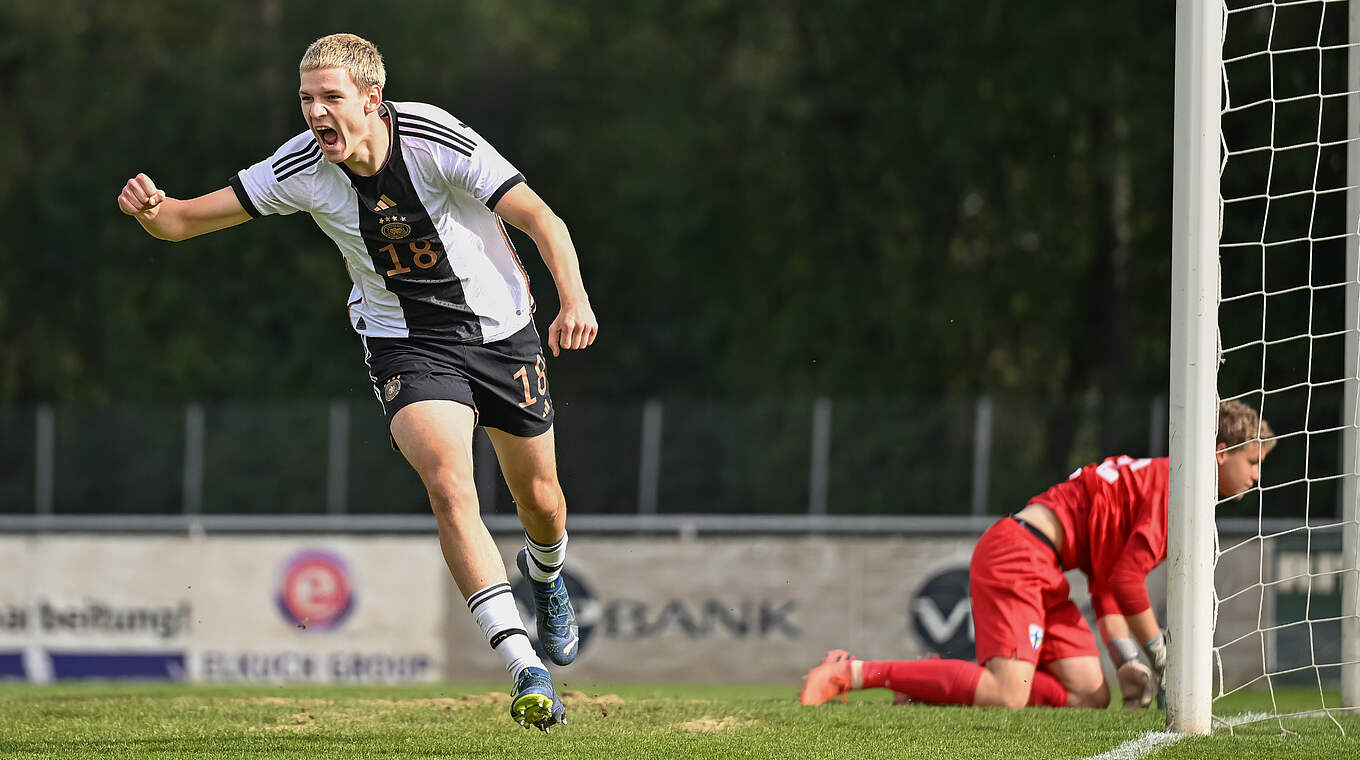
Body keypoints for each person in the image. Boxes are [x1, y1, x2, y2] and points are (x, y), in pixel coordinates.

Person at [116, 33, 596, 732]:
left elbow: (539, 218)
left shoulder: (434, 139)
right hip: (406, 346)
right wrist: (150, 211)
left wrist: (574, 300)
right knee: (447, 483)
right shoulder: (302, 166)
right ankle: (522, 663)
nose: (316, 112)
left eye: (331, 97)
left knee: (543, 503)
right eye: (307, 98)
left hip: (503, 334)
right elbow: (185, 220)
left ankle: (546, 578)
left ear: (372, 99)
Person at [800, 400, 1275, 710]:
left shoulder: (1164, 479)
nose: (1257, 477)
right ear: (1219, 452)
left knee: (1090, 696)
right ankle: (854, 671)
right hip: (1019, 554)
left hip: (1045, 567)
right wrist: (1163, 657)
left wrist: (1128, 661)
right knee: (1007, 694)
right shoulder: (1173, 488)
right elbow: (1128, 583)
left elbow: (1110, 584)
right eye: (1252, 462)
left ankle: (933, 684)